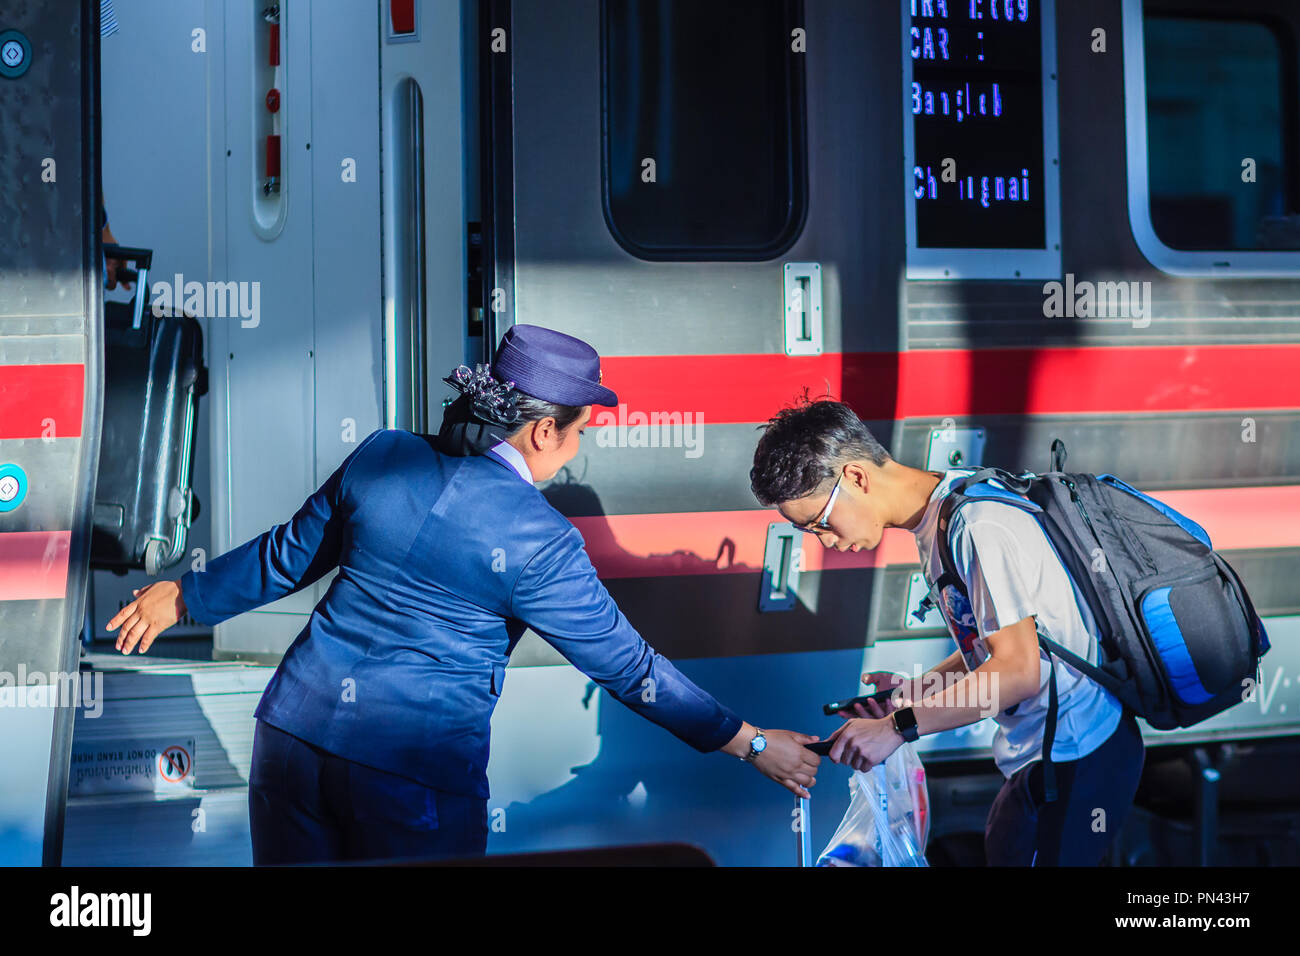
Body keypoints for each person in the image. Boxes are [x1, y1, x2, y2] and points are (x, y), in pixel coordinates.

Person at [107, 324, 821, 864]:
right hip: (409, 774)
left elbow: (289, 554)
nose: (575, 453)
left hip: (293, 736)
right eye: (577, 436)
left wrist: (184, 597)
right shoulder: (541, 540)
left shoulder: (386, 453)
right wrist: (753, 743)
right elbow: (632, 672)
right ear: (544, 430)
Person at [748, 396, 1145, 866]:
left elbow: (1020, 672)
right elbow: (994, 647)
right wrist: (915, 693)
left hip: (1079, 754)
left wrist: (898, 727)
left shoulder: (974, 524)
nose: (827, 541)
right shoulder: (942, 517)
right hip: (1046, 756)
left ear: (856, 476)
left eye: (819, 523)